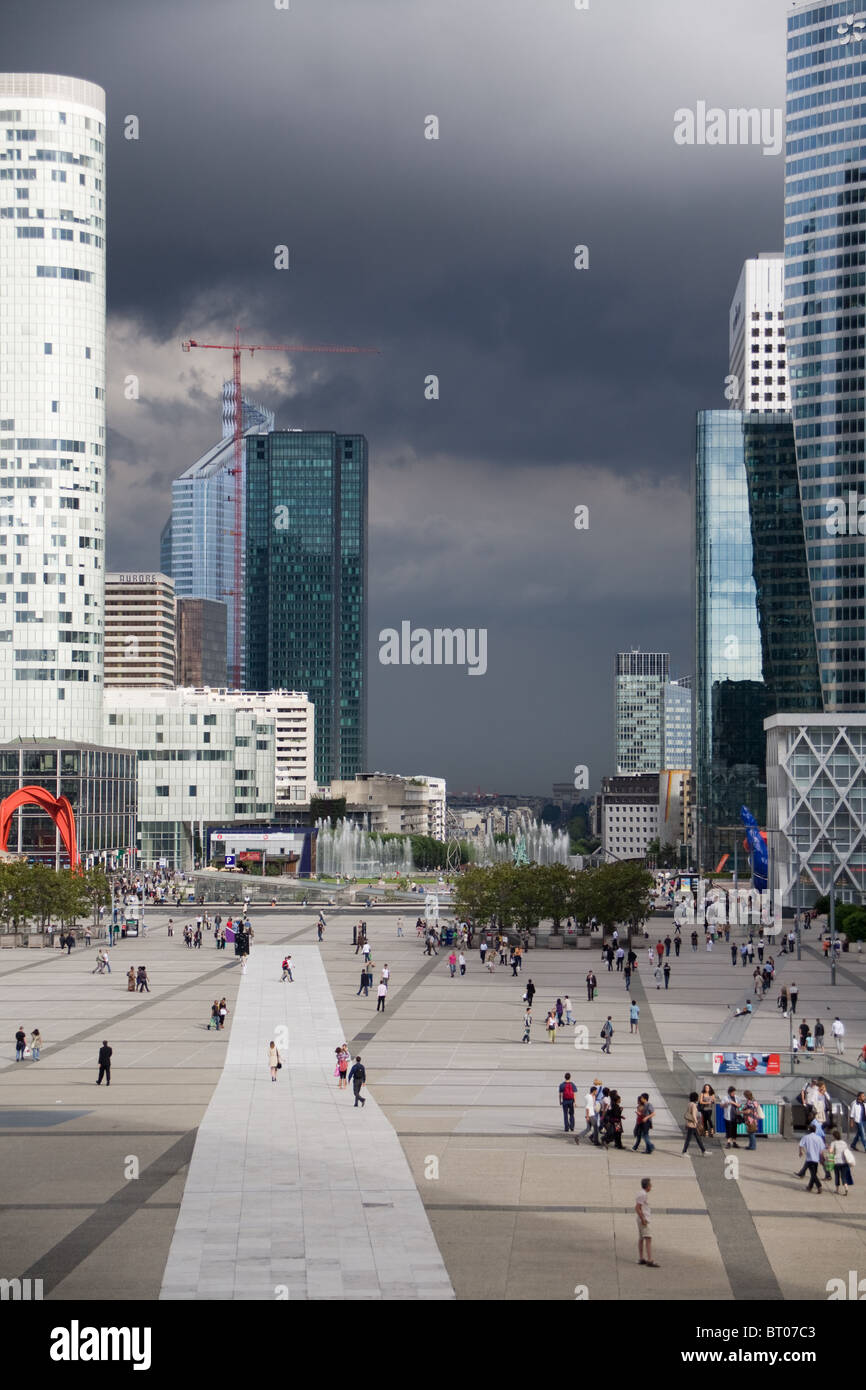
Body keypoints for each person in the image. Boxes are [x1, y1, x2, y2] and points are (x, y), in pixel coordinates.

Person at [797, 1123, 826, 1193]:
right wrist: (822, 1158)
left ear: (809, 1130)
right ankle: (810, 1187)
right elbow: (822, 1150)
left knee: (813, 1174)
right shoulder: (819, 1138)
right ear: (815, 1130)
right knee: (813, 1173)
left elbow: (800, 1145)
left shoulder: (806, 1137)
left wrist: (801, 1152)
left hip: (809, 1158)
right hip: (816, 1159)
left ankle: (819, 1186)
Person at [636, 1178, 658, 1266]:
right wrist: (643, 1219)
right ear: (647, 1186)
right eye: (650, 1185)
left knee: (641, 1238)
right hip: (643, 1219)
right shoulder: (643, 1195)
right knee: (648, 1238)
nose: (651, 1187)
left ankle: (641, 1258)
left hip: (640, 1219)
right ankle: (649, 1260)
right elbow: (637, 1208)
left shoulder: (641, 1193)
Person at [828, 1127, 855, 1195]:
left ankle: (837, 1190)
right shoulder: (844, 1143)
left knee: (837, 1176)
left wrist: (829, 1148)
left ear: (834, 1136)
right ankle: (846, 1188)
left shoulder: (833, 1143)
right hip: (844, 1162)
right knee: (843, 1176)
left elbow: (830, 1151)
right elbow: (846, 1151)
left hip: (837, 1162)